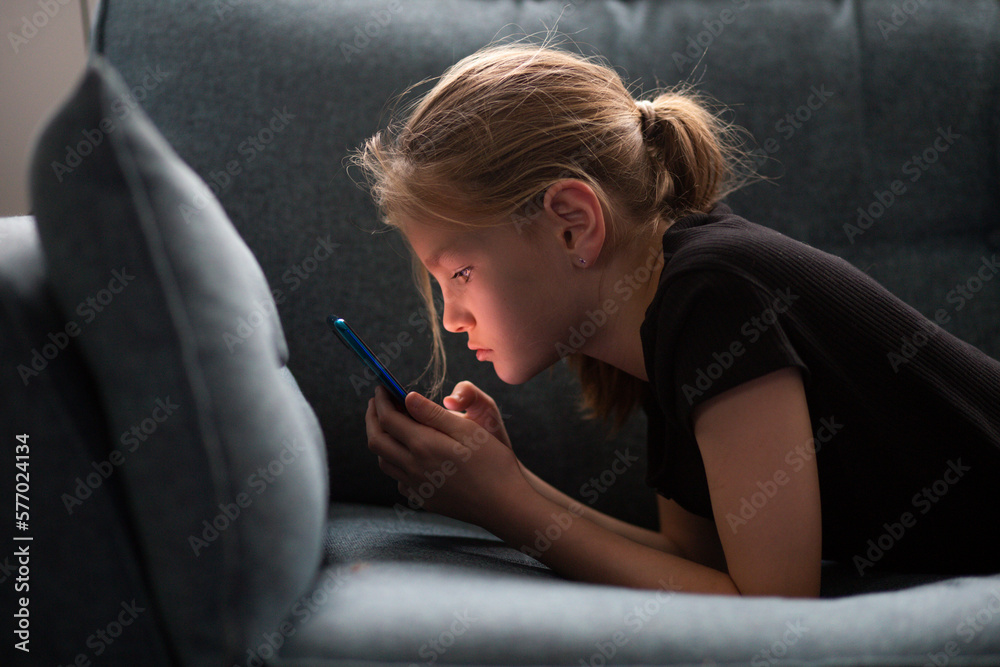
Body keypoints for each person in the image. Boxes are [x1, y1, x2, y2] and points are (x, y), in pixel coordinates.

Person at [355, 43, 1000, 597]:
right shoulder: (660, 323)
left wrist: (510, 507)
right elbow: (700, 567)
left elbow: (770, 607)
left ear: (571, 225)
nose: (452, 319)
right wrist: (507, 482)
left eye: (460, 274)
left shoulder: (712, 295)